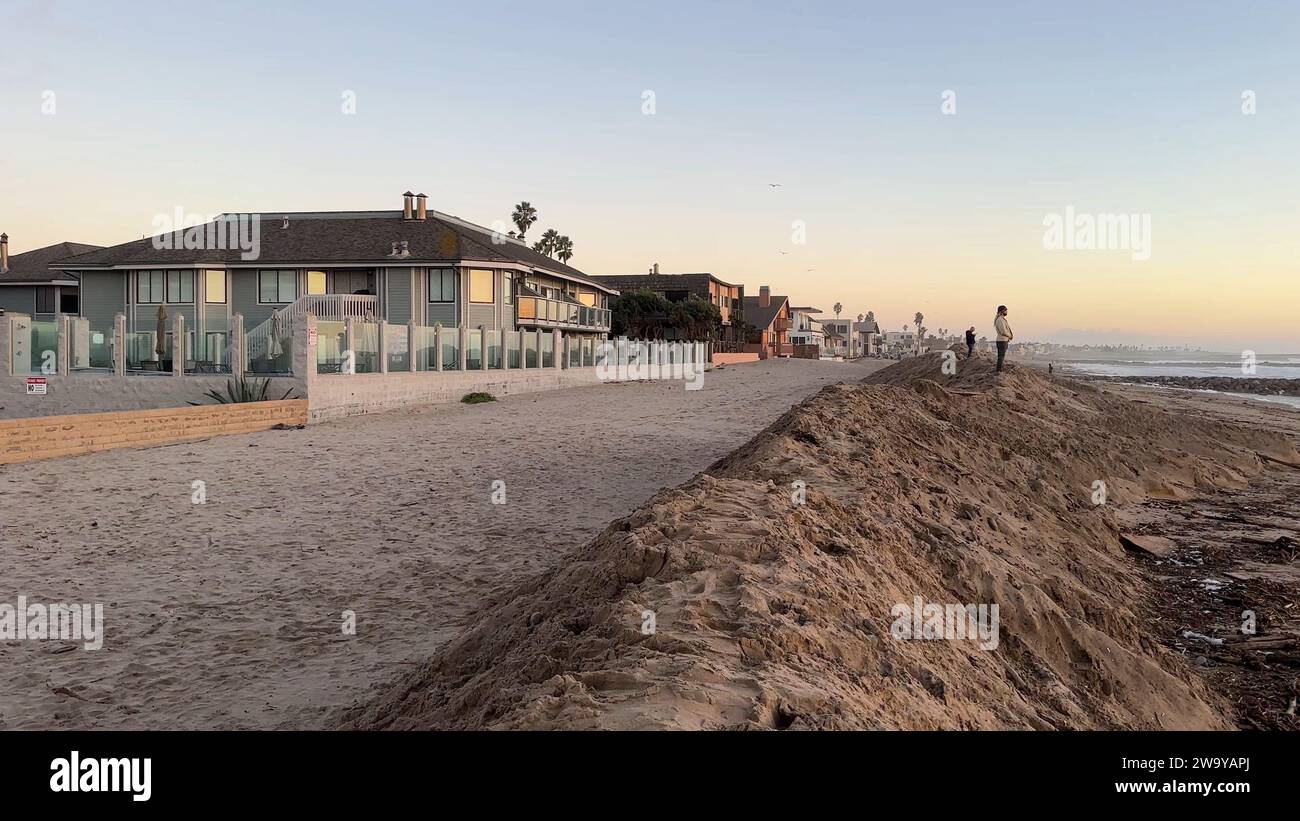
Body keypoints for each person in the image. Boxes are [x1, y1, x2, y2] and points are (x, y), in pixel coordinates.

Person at [993, 305, 1013, 372]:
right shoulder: (1000, 320)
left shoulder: (1000, 319)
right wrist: (1010, 336)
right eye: (1006, 310)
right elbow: (1003, 331)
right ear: (1002, 311)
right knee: (1001, 357)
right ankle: (998, 370)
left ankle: (999, 370)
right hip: (1002, 341)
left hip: (1002, 340)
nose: (1007, 312)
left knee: (1001, 357)